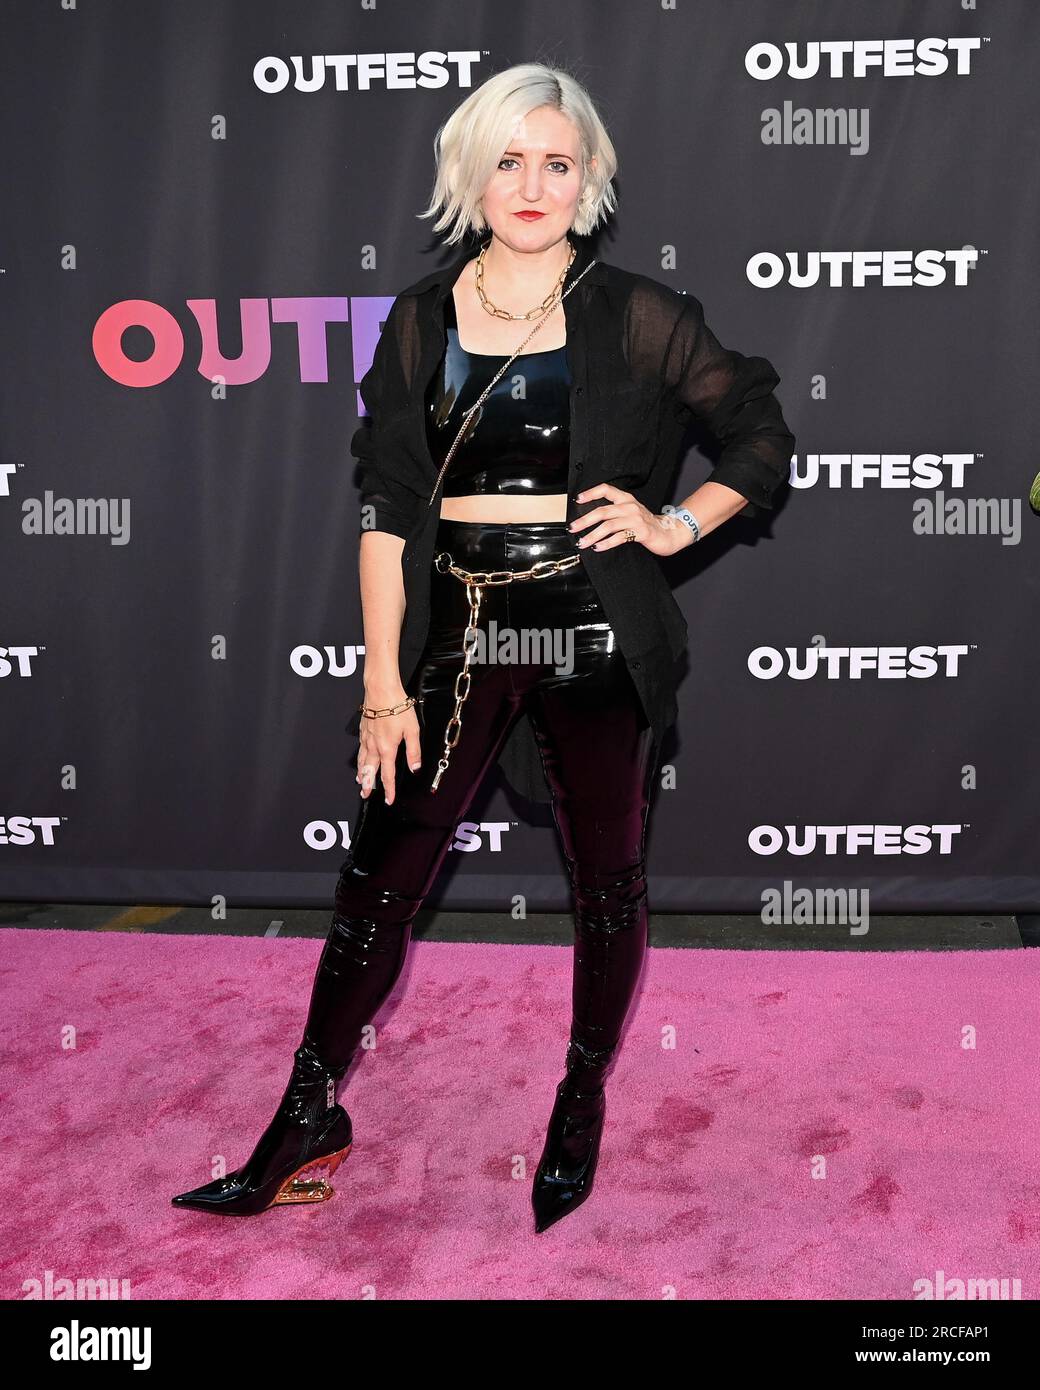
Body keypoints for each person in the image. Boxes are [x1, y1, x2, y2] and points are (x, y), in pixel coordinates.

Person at [171, 61, 797, 1233]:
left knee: (604, 883)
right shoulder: (415, 322)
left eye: (557, 162)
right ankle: (307, 1111)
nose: (532, 182)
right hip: (453, 629)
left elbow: (758, 434)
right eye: (508, 158)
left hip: (594, 632)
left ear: (589, 181)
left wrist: (673, 523)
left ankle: (579, 1093)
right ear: (470, 171)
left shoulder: (645, 319)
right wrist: (378, 688)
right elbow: (386, 513)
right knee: (374, 884)